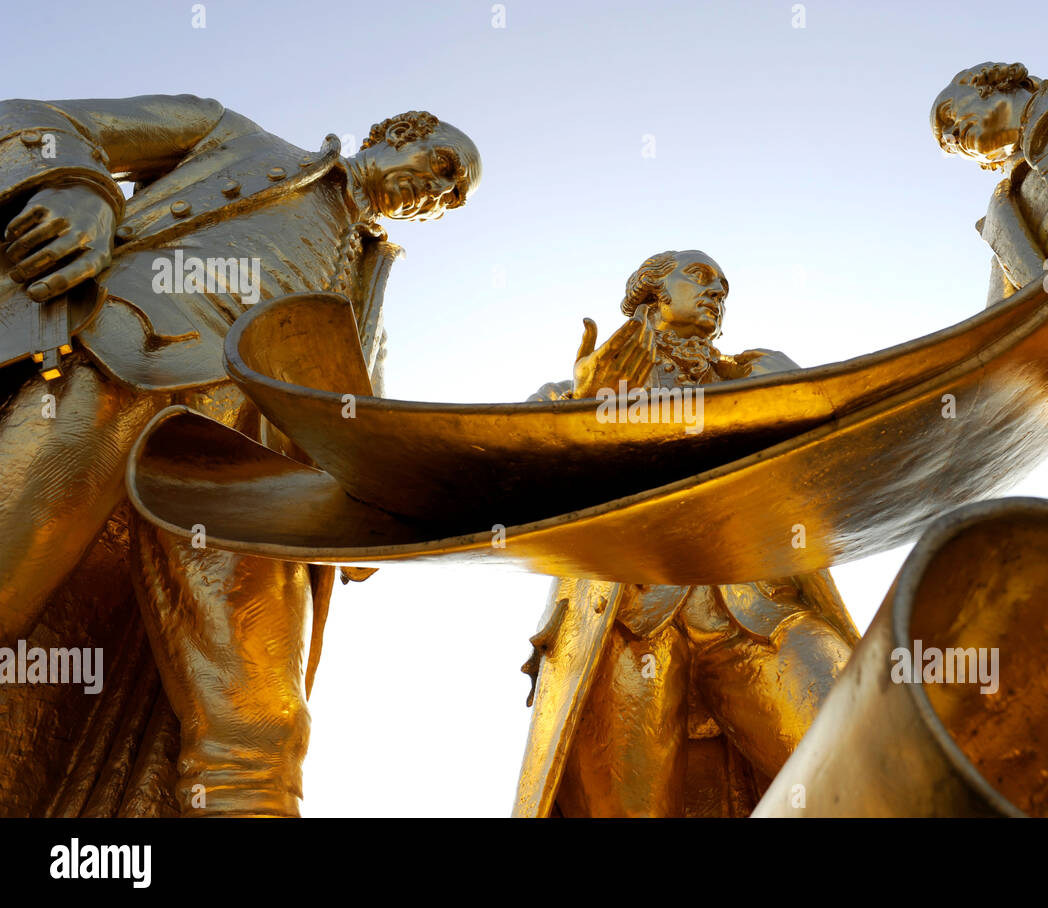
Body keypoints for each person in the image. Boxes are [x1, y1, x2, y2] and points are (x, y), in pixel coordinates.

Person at [0, 94, 480, 816]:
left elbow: (365, 436)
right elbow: (35, 119)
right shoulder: (233, 135)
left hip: (244, 477)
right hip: (117, 372)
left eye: (452, 196)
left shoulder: (366, 301)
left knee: (262, 725)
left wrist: (385, 507)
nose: (438, 192)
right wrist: (80, 192)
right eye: (440, 165)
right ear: (392, 135)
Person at [515, 250, 859, 817]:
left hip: (759, 609)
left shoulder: (751, 375)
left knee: (863, 751)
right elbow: (505, 481)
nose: (717, 290)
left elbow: (829, 444)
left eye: (722, 286)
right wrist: (582, 410)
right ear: (651, 291)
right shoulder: (573, 389)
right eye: (698, 277)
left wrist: (778, 384)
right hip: (626, 620)